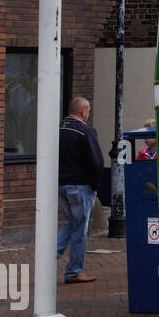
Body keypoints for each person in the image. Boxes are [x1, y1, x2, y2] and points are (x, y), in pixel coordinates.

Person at [58, 96, 103, 284]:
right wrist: (95, 184)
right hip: (81, 186)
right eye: (88, 111)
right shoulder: (85, 131)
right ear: (83, 112)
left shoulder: (57, 129)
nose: (88, 114)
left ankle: (47, 261)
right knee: (80, 229)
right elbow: (96, 161)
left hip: (61, 185)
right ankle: (74, 271)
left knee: (72, 224)